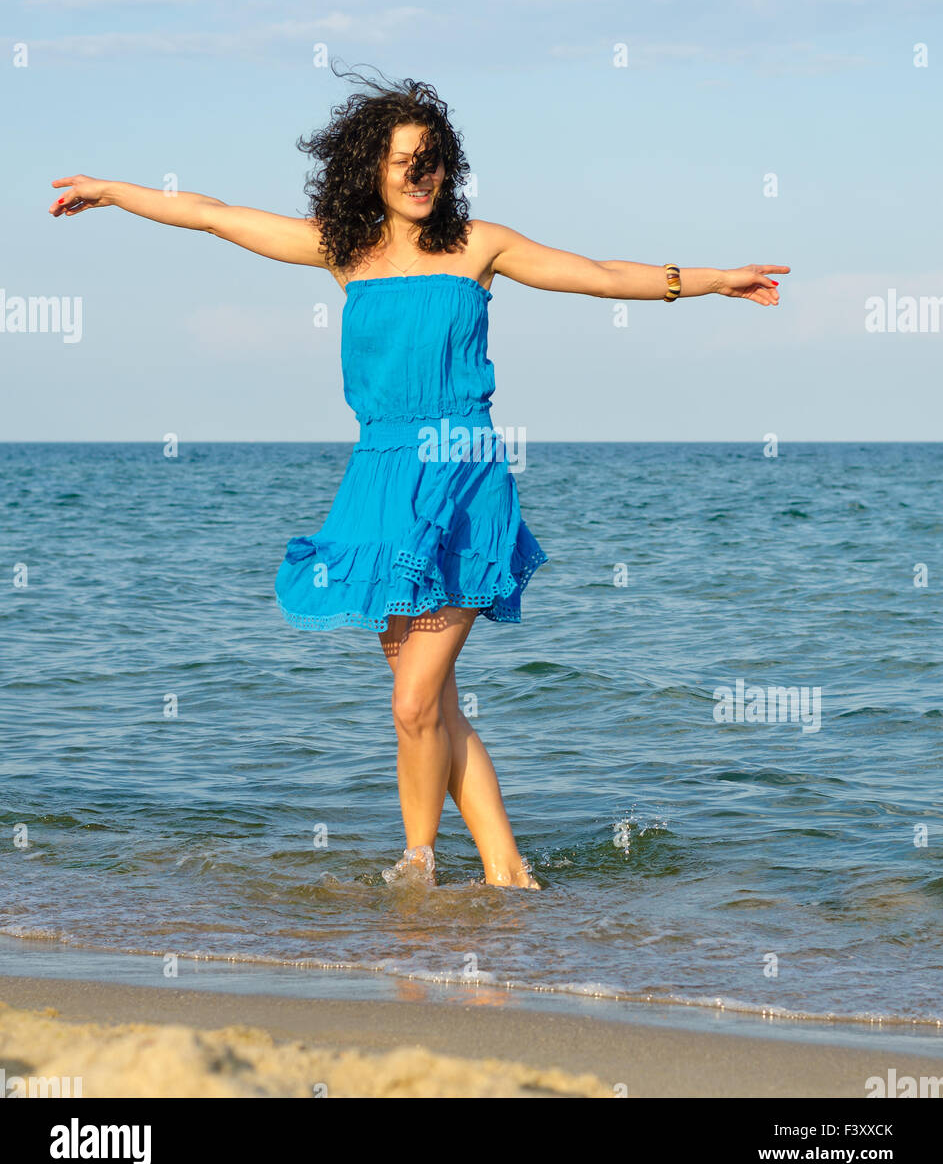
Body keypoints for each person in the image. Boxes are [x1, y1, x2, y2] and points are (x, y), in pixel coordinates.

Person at [49, 67, 788, 891]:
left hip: (464, 475)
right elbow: (214, 216)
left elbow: (603, 275)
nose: (421, 174)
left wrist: (714, 280)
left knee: (413, 702)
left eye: (433, 159)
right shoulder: (344, 249)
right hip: (377, 478)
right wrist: (112, 191)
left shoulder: (479, 246)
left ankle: (417, 864)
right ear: (371, 167)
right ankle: (508, 872)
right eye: (404, 160)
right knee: (429, 701)